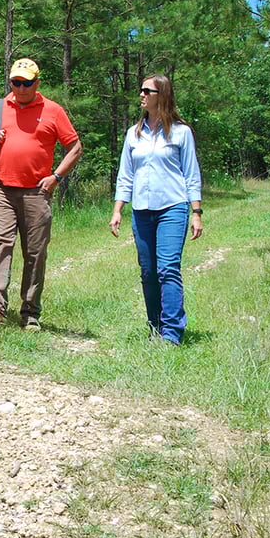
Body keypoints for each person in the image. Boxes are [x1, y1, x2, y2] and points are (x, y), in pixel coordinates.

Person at [0, 58, 82, 331]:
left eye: (26, 83)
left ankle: (30, 313)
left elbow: (75, 146)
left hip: (36, 192)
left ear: (37, 83)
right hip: (2, 190)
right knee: (0, 243)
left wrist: (56, 177)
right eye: (16, 82)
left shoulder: (53, 111)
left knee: (35, 253)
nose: (20, 88)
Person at [108, 74, 203, 345]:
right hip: (141, 210)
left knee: (168, 268)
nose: (141, 94)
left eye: (147, 91)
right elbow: (125, 175)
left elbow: (191, 174)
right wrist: (118, 210)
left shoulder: (181, 132)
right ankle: (156, 328)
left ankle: (172, 333)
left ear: (161, 95)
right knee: (148, 271)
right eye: (141, 90)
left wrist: (196, 212)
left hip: (173, 207)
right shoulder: (133, 134)